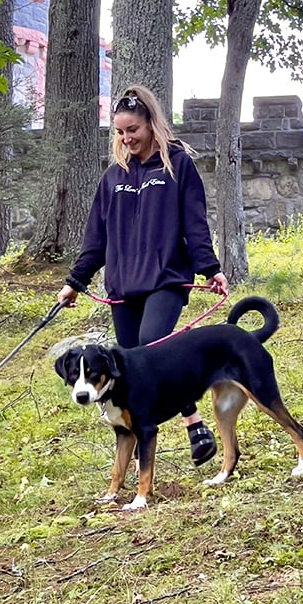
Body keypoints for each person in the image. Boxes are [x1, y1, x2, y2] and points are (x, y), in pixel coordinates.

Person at [57, 84, 228, 466]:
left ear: (151, 124)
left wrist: (210, 268)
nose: (126, 138)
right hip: (123, 285)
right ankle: (137, 440)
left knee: (152, 345)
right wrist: (75, 282)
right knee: (130, 365)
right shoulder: (113, 177)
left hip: (166, 277)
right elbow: (95, 239)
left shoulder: (177, 166)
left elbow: (195, 224)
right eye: (119, 132)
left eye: (132, 129)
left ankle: (194, 424)